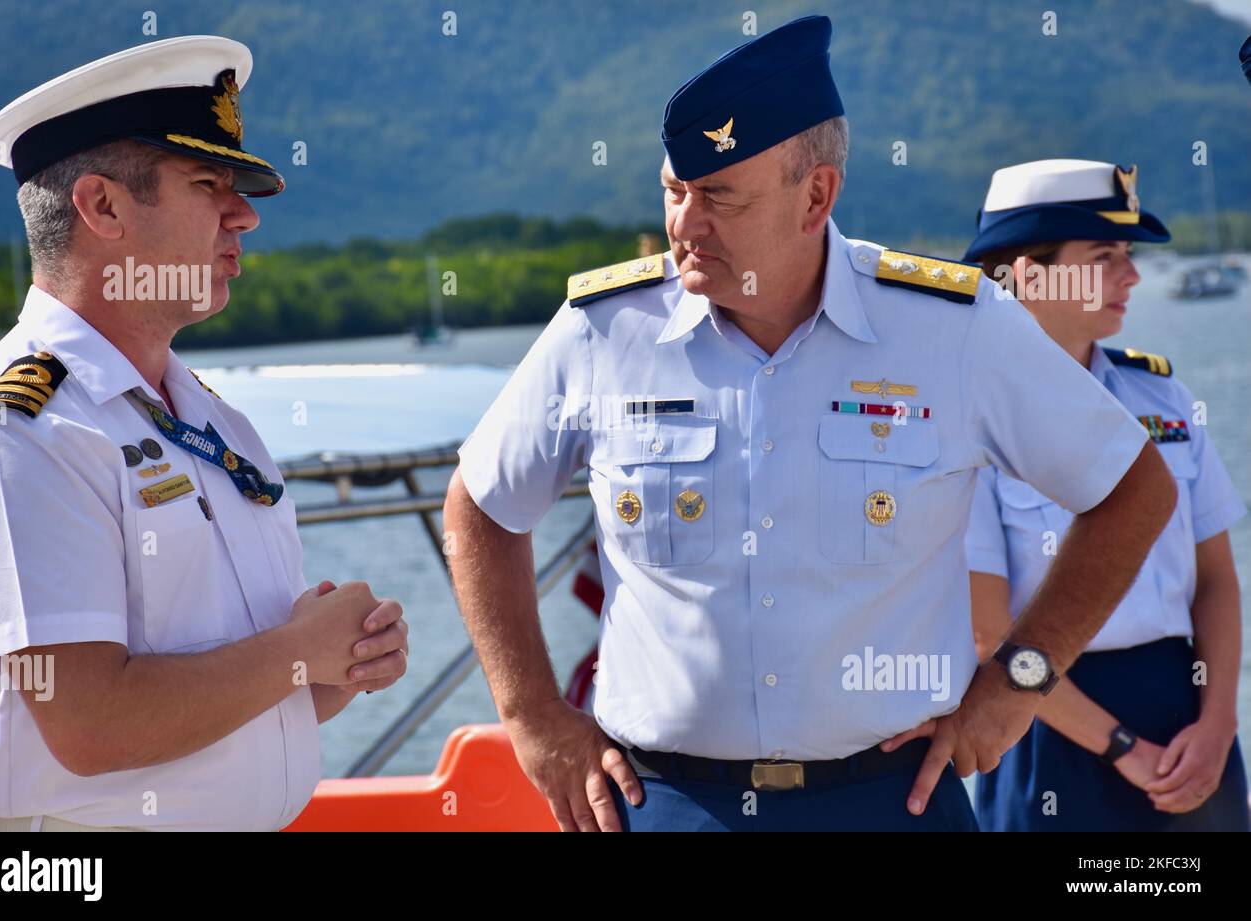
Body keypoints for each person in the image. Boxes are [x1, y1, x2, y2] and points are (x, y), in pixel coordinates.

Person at [443, 15, 1176, 832]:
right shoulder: (603, 330)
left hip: (892, 802)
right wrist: (532, 714)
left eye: (720, 196)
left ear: (816, 195)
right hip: (665, 805)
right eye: (674, 191)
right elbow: (479, 506)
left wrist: (1018, 683)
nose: (686, 224)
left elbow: (1134, 489)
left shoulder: (952, 328)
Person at [0, 36, 409, 832]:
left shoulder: (203, 413)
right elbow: (92, 724)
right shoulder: (21, 427)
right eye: (208, 184)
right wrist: (301, 651)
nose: (246, 215)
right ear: (102, 207)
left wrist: (337, 664)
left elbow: (234, 688)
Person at [961, 158, 1249, 831]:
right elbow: (986, 629)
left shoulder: (1163, 399)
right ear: (1030, 273)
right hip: (1042, 716)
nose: (1133, 276)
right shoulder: (966, 423)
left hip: (1188, 724)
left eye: (1128, 255)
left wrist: (1218, 723)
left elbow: (1216, 579)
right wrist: (1119, 746)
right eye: (1104, 255)